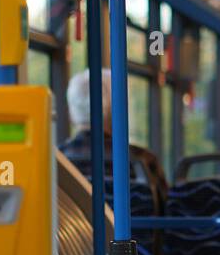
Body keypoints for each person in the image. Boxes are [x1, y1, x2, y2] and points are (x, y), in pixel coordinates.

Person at [60, 68, 168, 198]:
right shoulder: (143, 161)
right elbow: (164, 211)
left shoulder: (57, 160)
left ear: (71, 115)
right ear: (117, 112)